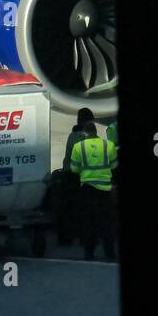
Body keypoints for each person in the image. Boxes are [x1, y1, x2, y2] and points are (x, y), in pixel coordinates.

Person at [69, 121, 118, 260]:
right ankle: (110, 253)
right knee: (106, 221)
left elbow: (74, 169)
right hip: (105, 189)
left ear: (84, 133)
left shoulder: (79, 147)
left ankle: (89, 253)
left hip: (87, 188)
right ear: (96, 131)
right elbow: (114, 166)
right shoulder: (109, 145)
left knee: (89, 222)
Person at [52, 107, 95, 246]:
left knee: (70, 208)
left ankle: (68, 237)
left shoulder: (73, 135)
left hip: (70, 176)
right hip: (77, 176)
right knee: (82, 209)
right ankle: (83, 237)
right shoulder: (82, 137)